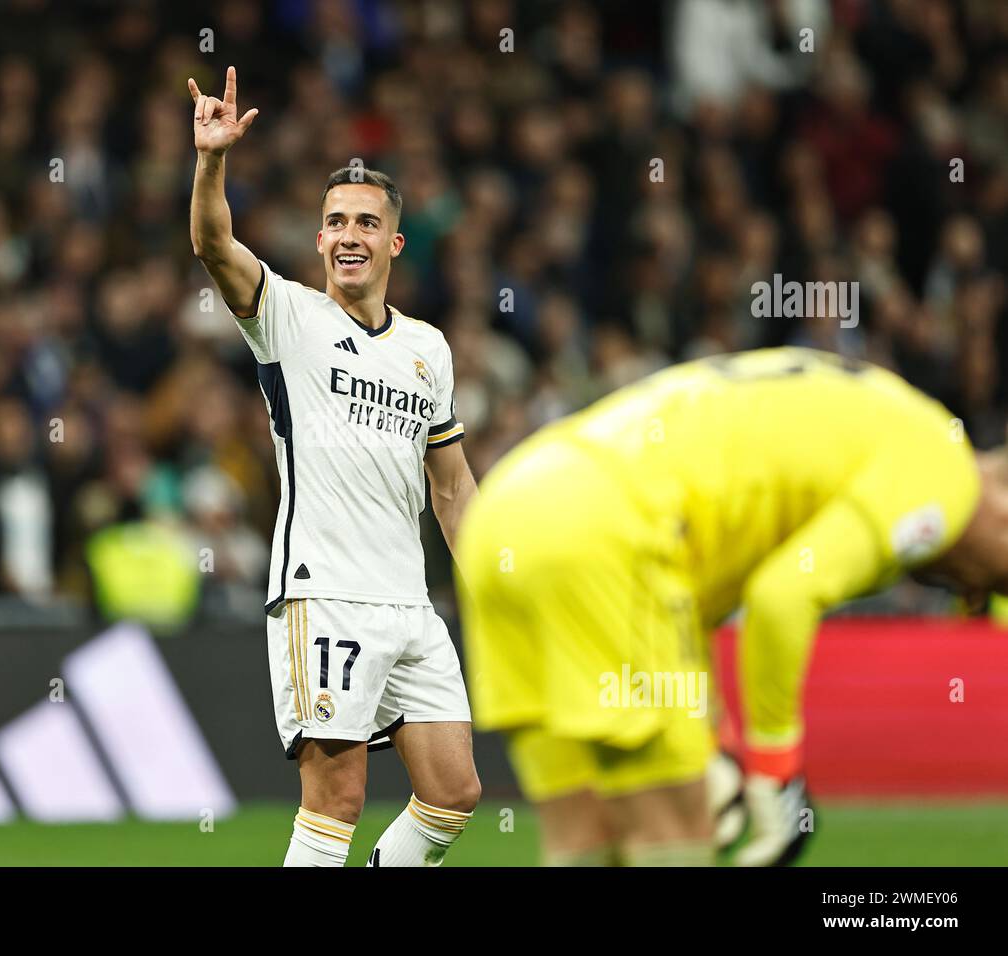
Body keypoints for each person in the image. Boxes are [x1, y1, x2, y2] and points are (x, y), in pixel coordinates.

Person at [457, 347, 989, 866]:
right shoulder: (946, 467)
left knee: (584, 837)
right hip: (608, 534)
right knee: (676, 829)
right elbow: (783, 598)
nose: (974, 596)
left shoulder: (869, 402)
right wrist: (776, 771)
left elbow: (689, 609)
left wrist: (717, 739)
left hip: (507, 508)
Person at [188, 67, 481, 866]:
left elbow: (450, 485)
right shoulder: (287, 316)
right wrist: (212, 159)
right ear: (319, 240)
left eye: (366, 222)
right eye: (334, 222)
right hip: (326, 594)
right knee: (337, 799)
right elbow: (214, 243)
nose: (348, 234)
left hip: (408, 602)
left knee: (454, 793)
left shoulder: (428, 349)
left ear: (394, 242)